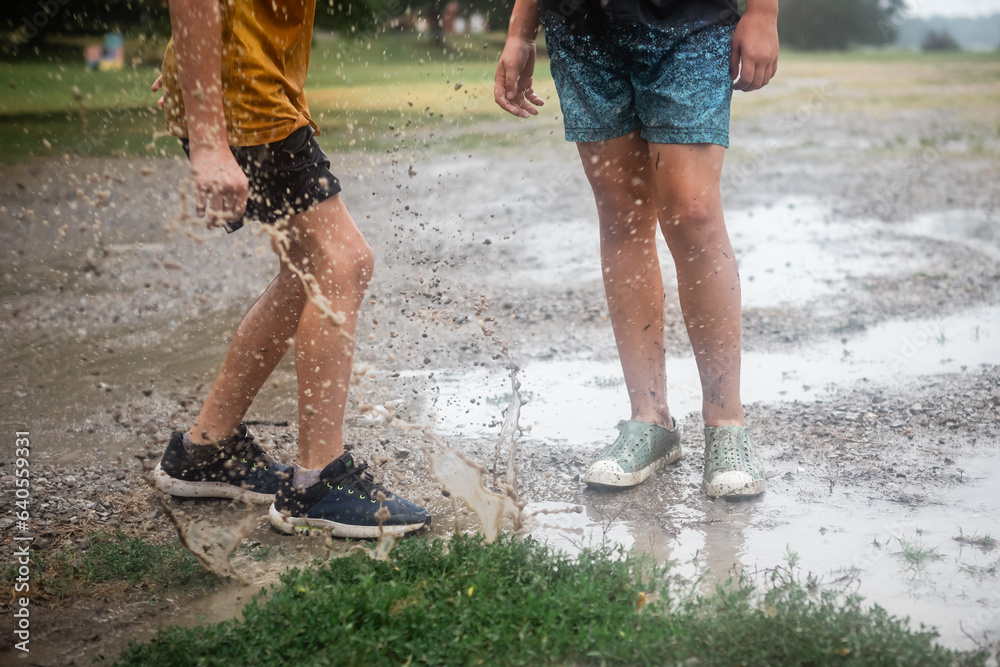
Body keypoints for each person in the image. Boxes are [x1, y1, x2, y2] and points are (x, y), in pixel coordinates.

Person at [149, 0, 430, 538]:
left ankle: (205, 449)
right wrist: (208, 137)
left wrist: (188, 68)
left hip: (257, 90)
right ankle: (316, 483)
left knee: (309, 270)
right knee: (343, 262)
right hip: (245, 97)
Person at [494, 0, 778, 497]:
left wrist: (764, 12)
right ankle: (650, 420)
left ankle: (726, 424)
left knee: (695, 214)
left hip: (691, 19)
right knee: (622, 215)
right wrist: (521, 31)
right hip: (582, 28)